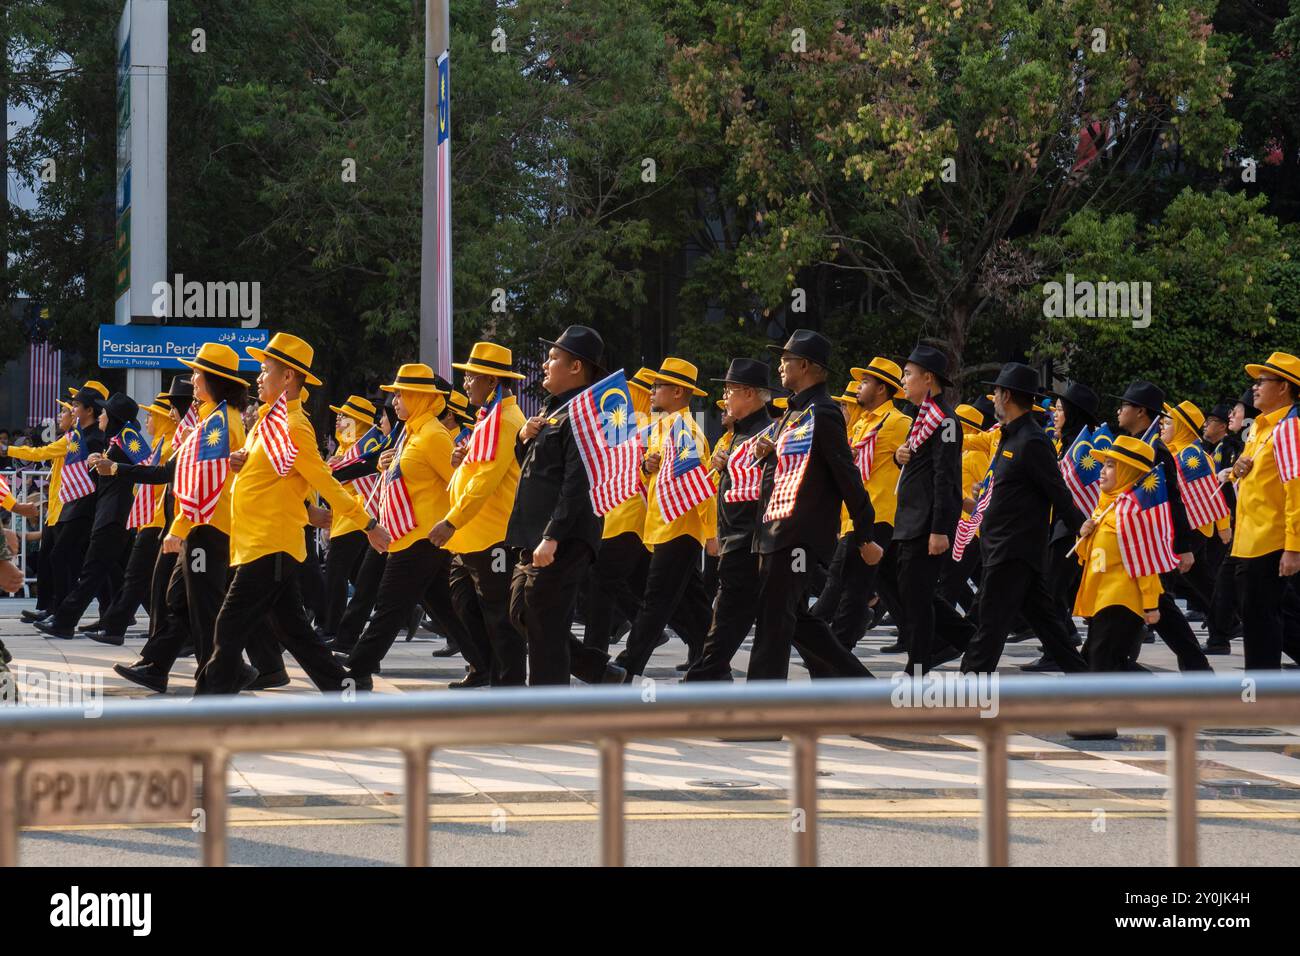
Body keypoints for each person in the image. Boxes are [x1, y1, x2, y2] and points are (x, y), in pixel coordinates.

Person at [201, 333, 389, 694]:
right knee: (296, 633)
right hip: (263, 542)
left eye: (264, 369)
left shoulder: (293, 426)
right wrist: (240, 463)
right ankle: (346, 688)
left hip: (269, 545)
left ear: (287, 377)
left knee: (226, 629)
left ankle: (206, 705)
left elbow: (326, 480)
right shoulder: (268, 422)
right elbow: (276, 481)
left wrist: (368, 524)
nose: (258, 376)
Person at [746, 329, 880, 680]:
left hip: (798, 534)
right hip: (776, 528)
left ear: (804, 365)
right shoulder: (795, 413)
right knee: (798, 622)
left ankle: (762, 709)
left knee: (774, 620)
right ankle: (861, 686)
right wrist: (770, 453)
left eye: (785, 360)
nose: (779, 367)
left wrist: (865, 533)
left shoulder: (823, 412)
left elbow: (846, 475)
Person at [112, 351, 250, 693]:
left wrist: (179, 529)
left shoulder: (220, 422)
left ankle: (217, 682)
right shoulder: (214, 417)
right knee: (180, 600)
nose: (193, 379)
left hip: (206, 527)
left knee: (203, 609)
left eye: (197, 372)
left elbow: (203, 483)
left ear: (213, 379)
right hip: (201, 526)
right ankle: (161, 666)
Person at [939, 363, 1088, 673]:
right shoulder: (1009, 437)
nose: (992, 397)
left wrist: (1080, 525)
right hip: (1004, 549)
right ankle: (1086, 682)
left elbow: (1057, 491)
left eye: (996, 392)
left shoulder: (1032, 441)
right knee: (1050, 629)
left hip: (1013, 550)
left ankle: (969, 690)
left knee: (989, 628)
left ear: (1006, 395)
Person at [504, 325, 625, 686]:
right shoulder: (555, 409)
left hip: (565, 535)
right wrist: (522, 438)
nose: (545, 364)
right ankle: (599, 671)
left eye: (554, 357)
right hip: (536, 532)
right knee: (521, 610)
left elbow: (579, 480)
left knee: (543, 617)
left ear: (576, 367)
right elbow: (539, 466)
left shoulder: (587, 413)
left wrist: (554, 535)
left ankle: (548, 704)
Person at [431, 341, 530, 687]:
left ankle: (509, 685)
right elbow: (477, 470)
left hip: (493, 534)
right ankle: (485, 670)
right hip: (473, 534)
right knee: (465, 605)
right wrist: (459, 464)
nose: (466, 383)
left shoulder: (504, 421)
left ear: (492, 381)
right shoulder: (488, 417)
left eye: (472, 377)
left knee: (499, 615)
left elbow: (487, 481)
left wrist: (451, 520)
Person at [615, 357, 717, 677]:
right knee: (693, 601)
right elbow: (653, 476)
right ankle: (712, 659)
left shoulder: (685, 430)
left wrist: (712, 534)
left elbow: (700, 485)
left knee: (655, 600)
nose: (653, 390)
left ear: (676, 392)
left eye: (658, 386)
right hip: (664, 527)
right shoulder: (664, 426)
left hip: (679, 529)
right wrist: (647, 467)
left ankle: (629, 663)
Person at [683, 358, 780, 680]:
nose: (725, 398)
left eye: (730, 390)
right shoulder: (737, 435)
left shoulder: (770, 434)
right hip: (733, 538)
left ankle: (703, 680)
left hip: (751, 540)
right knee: (788, 624)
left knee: (727, 617)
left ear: (750, 393)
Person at [1112, 380, 1211, 671]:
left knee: (1159, 606)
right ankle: (1116, 662)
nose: (1119, 411)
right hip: (1136, 542)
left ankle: (1195, 667)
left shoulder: (1155, 451)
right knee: (1154, 607)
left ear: (1140, 411)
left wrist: (1183, 547)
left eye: (1124, 405)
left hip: (1152, 544)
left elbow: (1174, 500)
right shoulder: (1138, 445)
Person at [816, 358, 911, 650]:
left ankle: (830, 645)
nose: (859, 387)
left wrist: (904, 455)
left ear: (882, 388)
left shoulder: (899, 423)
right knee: (871, 585)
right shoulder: (862, 424)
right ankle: (840, 645)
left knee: (844, 585)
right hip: (853, 515)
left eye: (865, 382)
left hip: (878, 513)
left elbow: (920, 454)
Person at [34, 393, 144, 639]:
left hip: (114, 516)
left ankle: (65, 622)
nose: (101, 416)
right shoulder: (113, 443)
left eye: (105, 413)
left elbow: (147, 469)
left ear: (113, 417)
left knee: (93, 574)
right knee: (129, 576)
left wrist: (111, 466)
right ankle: (113, 624)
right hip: (112, 517)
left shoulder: (125, 442)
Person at [891, 344, 966, 674]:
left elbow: (944, 477)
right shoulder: (924, 417)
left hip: (926, 524)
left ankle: (916, 669)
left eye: (908, 374)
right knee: (914, 594)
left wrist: (938, 529)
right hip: (911, 520)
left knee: (918, 600)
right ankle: (968, 639)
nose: (903, 381)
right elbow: (913, 462)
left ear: (928, 378)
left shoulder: (945, 421)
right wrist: (898, 456)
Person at [83, 391, 178, 644]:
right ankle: (125, 628)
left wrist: (114, 467)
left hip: (158, 520)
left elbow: (155, 477)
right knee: (141, 579)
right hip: (149, 518)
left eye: (152, 415)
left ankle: (126, 629)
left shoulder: (169, 446)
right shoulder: (161, 443)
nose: (147, 420)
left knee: (141, 579)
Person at [1229, 351, 1300, 669]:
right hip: (1249, 540)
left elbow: (1295, 489)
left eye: (1262, 382)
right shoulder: (1260, 427)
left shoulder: (1289, 429)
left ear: (1284, 387)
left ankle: (1255, 696)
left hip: (1270, 541)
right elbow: (1248, 477)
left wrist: (1294, 547)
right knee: (1264, 618)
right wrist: (1236, 469)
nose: (1255, 388)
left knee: (1260, 625)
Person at [1072, 436, 1166, 672]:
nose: (1102, 471)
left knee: (1103, 666)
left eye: (1111, 465)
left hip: (1122, 601)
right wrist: (1083, 533)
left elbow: (1146, 560)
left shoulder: (1132, 511)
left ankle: (1162, 697)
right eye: (1104, 464)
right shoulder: (1106, 506)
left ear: (1128, 471)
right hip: (1101, 599)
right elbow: (1086, 554)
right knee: (1104, 666)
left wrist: (1151, 604)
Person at [30, 387, 107, 621]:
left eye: (75, 406)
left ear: (89, 410)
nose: (71, 410)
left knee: (67, 558)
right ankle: (62, 612)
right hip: (70, 506)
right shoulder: (80, 436)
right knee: (74, 560)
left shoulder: (94, 438)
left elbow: (97, 477)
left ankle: (64, 614)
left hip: (85, 507)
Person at [318, 394, 380, 642]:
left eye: (344, 417)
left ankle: (332, 627)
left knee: (335, 572)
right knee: (357, 575)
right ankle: (410, 613)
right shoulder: (345, 449)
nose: (338, 420)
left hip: (357, 517)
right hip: (346, 518)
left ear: (358, 423)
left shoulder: (365, 449)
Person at [6, 401, 75, 620]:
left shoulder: (74, 440)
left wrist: (7, 449)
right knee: (50, 558)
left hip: (68, 509)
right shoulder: (69, 439)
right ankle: (48, 608)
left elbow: (39, 453)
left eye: (65, 411)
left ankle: (61, 611)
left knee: (69, 561)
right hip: (56, 508)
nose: (59, 415)